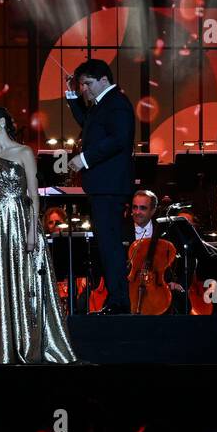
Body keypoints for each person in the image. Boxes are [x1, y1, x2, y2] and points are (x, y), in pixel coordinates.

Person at [0, 105, 76, 364]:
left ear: (3, 122)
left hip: (19, 220)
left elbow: (33, 195)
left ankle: (26, 344)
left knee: (24, 281)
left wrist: (31, 230)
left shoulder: (24, 152)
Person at [66, 59, 136, 314]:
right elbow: (88, 123)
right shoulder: (103, 105)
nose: (84, 88)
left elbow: (119, 139)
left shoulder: (116, 103)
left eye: (87, 83)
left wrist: (83, 159)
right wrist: (71, 96)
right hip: (103, 186)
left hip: (110, 186)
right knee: (107, 245)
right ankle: (115, 299)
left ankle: (119, 301)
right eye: (81, 84)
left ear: (103, 80)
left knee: (111, 245)